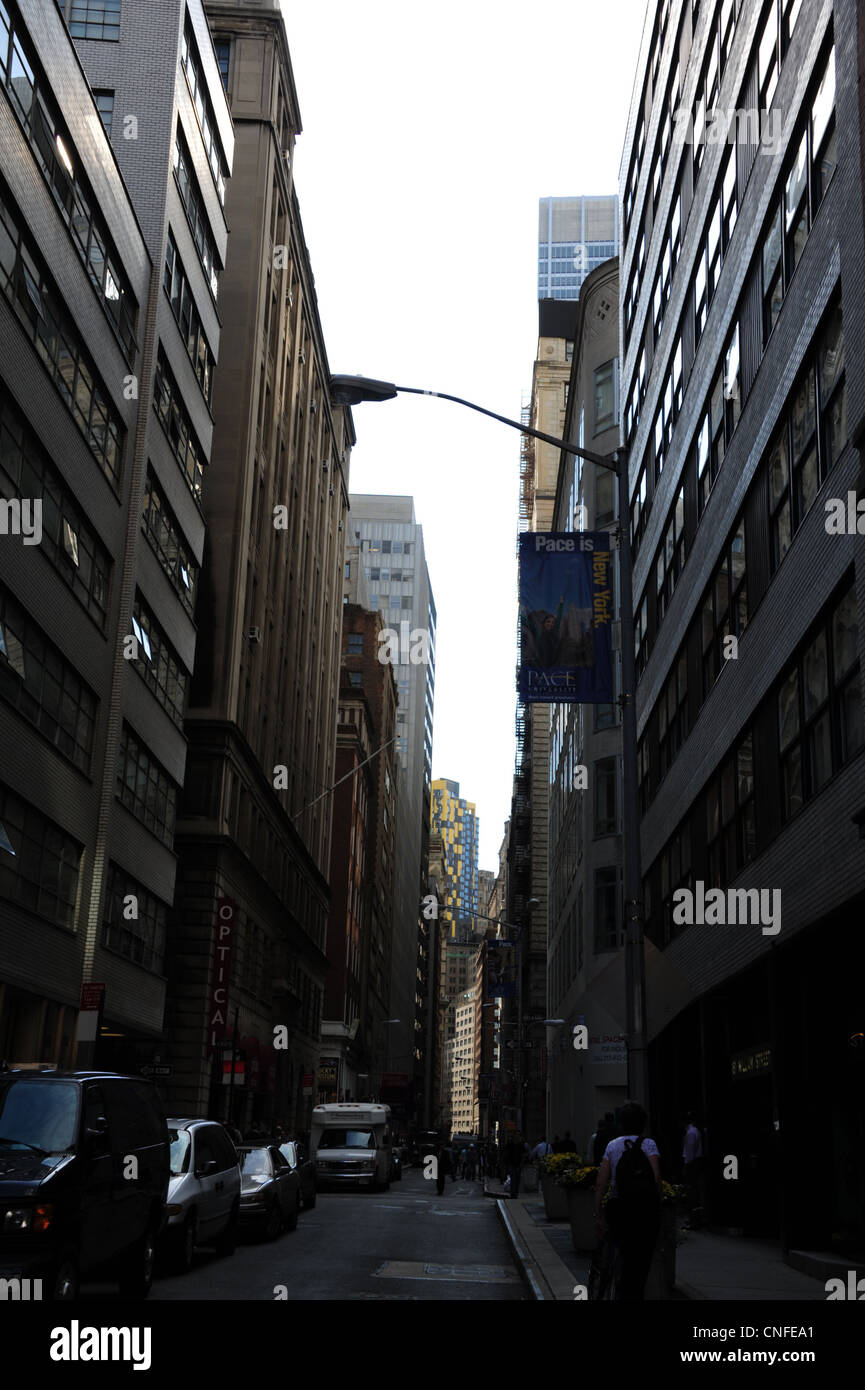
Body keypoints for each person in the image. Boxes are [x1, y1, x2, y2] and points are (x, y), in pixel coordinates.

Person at [594, 1102, 661, 1301]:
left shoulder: (612, 1146)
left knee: (619, 1251)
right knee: (641, 1259)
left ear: (621, 1124)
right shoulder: (649, 1145)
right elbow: (656, 1178)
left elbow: (601, 1183)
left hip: (619, 1208)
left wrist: (598, 1214)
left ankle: (618, 1286)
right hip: (644, 1210)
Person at [682, 1110, 705, 1229]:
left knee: (691, 1191)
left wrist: (686, 1167)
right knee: (695, 1191)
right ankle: (695, 1219)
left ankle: (694, 1220)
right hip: (696, 1162)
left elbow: (689, 1155)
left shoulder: (690, 1133)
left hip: (692, 1164)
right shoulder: (695, 1131)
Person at [503, 1132, 527, 1198]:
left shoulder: (521, 1145)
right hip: (511, 1164)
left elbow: (523, 1155)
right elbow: (506, 1154)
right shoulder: (510, 1144)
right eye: (516, 1137)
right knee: (513, 1179)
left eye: (518, 1137)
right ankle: (513, 1193)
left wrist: (521, 1164)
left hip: (518, 1164)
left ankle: (515, 1193)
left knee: (517, 1179)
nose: (517, 1138)